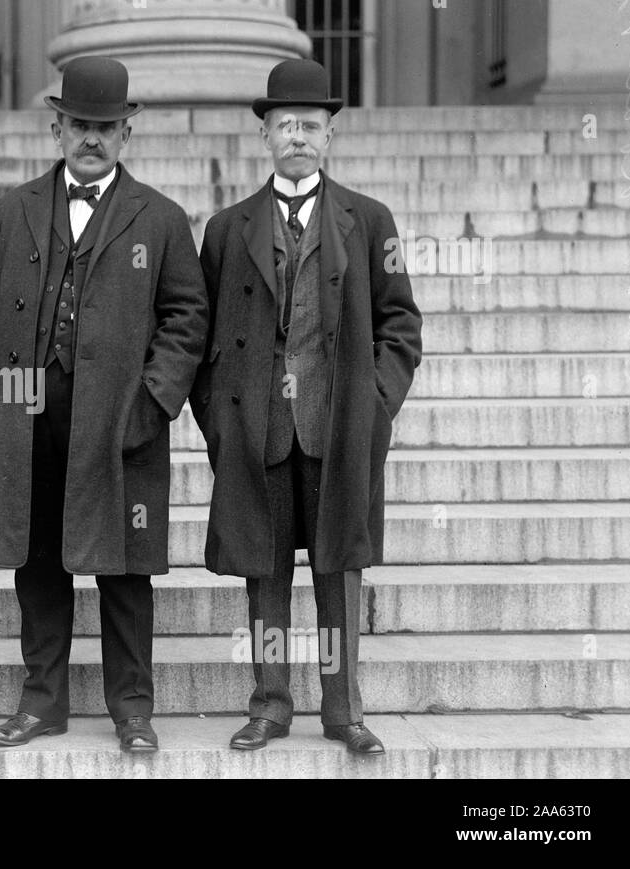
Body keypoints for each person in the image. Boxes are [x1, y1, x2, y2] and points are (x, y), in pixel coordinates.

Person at [0, 56, 208, 753]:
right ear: (57, 126)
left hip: (120, 420)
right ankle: (42, 703)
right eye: (79, 125)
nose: (91, 138)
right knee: (36, 564)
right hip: (27, 417)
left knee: (124, 570)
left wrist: (152, 404)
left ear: (127, 132)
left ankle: (132, 708)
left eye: (105, 126)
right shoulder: (14, 209)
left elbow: (186, 319)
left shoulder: (160, 219)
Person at [191, 59, 423, 755]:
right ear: (264, 133)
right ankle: (269, 703)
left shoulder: (368, 221)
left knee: (338, 570)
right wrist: (219, 417)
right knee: (263, 572)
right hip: (258, 427)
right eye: (286, 124)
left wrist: (372, 407)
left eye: (311, 126)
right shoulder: (228, 228)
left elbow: (401, 327)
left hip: (337, 425)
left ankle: (343, 708)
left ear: (330, 135)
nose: (298, 136)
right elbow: (200, 338)